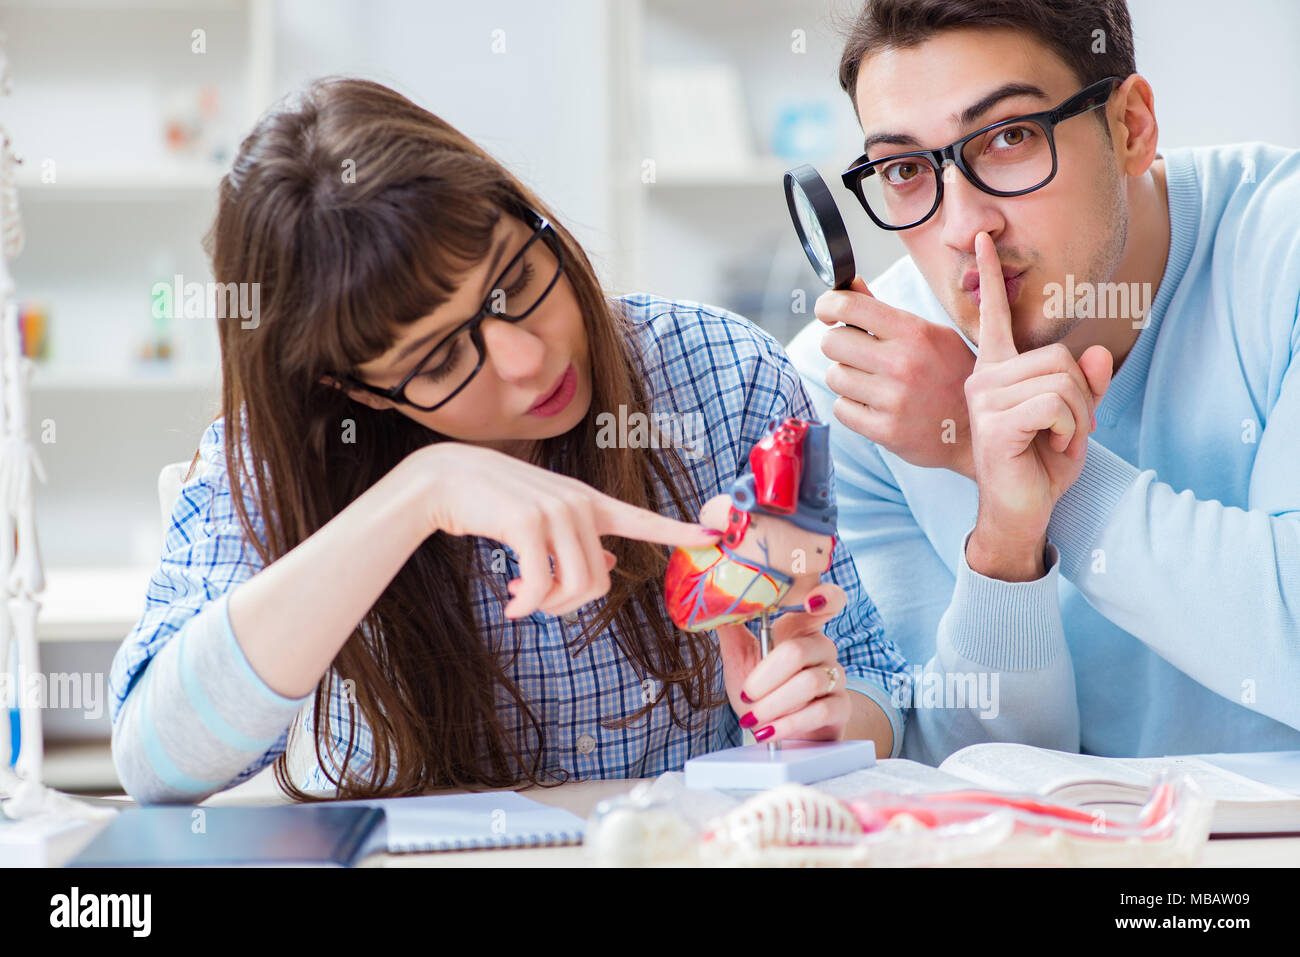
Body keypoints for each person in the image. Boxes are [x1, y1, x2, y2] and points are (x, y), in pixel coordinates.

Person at [110, 77, 946, 804]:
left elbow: (873, 681)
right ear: (357, 388)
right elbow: (157, 761)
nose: (526, 357)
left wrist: (815, 729)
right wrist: (419, 494)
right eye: (439, 357)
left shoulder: (721, 379)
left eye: (512, 282)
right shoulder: (278, 462)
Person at [788, 0, 1300, 763]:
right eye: (903, 170)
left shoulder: (1280, 248)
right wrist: (1005, 538)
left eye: (1009, 138)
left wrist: (1010, 459)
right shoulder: (855, 390)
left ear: (1130, 127)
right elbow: (959, 763)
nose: (966, 227)